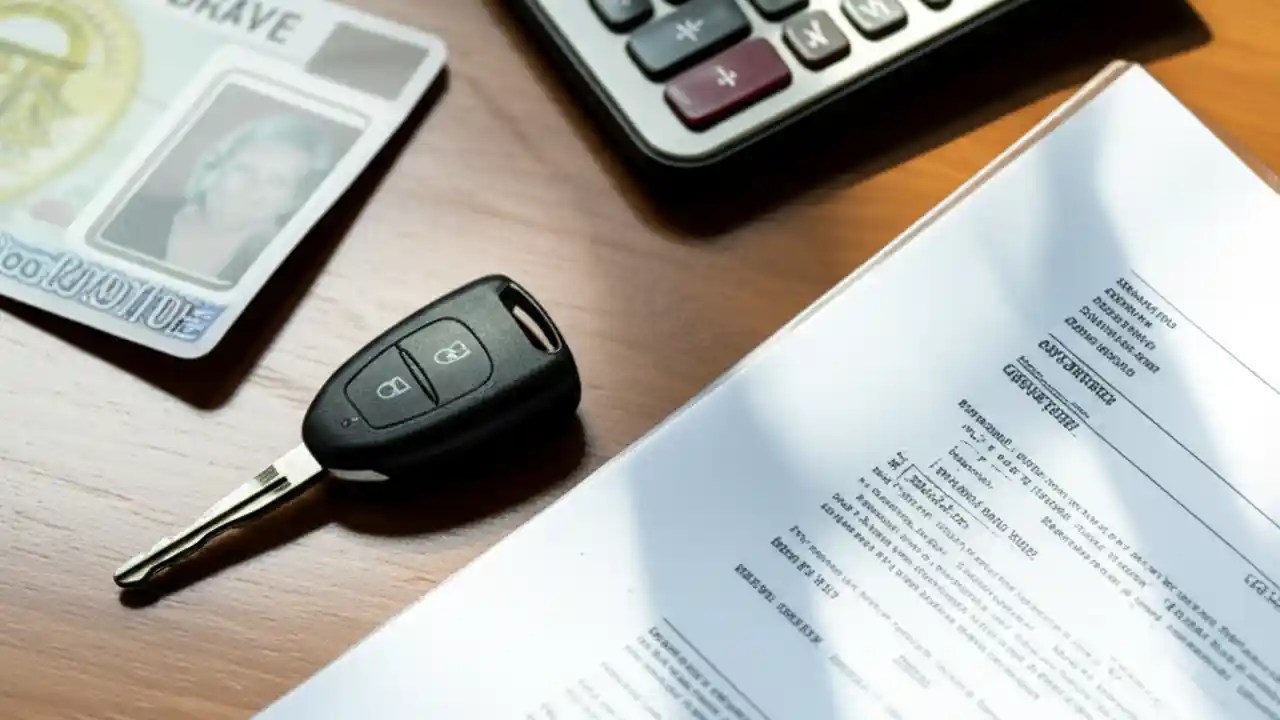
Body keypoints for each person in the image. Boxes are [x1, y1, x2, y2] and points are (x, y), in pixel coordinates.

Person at [104, 114, 337, 285]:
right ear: (215, 168)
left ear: (293, 200)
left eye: (277, 181)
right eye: (244, 170)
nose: (253, 187)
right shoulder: (133, 213)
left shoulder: (286, 268)